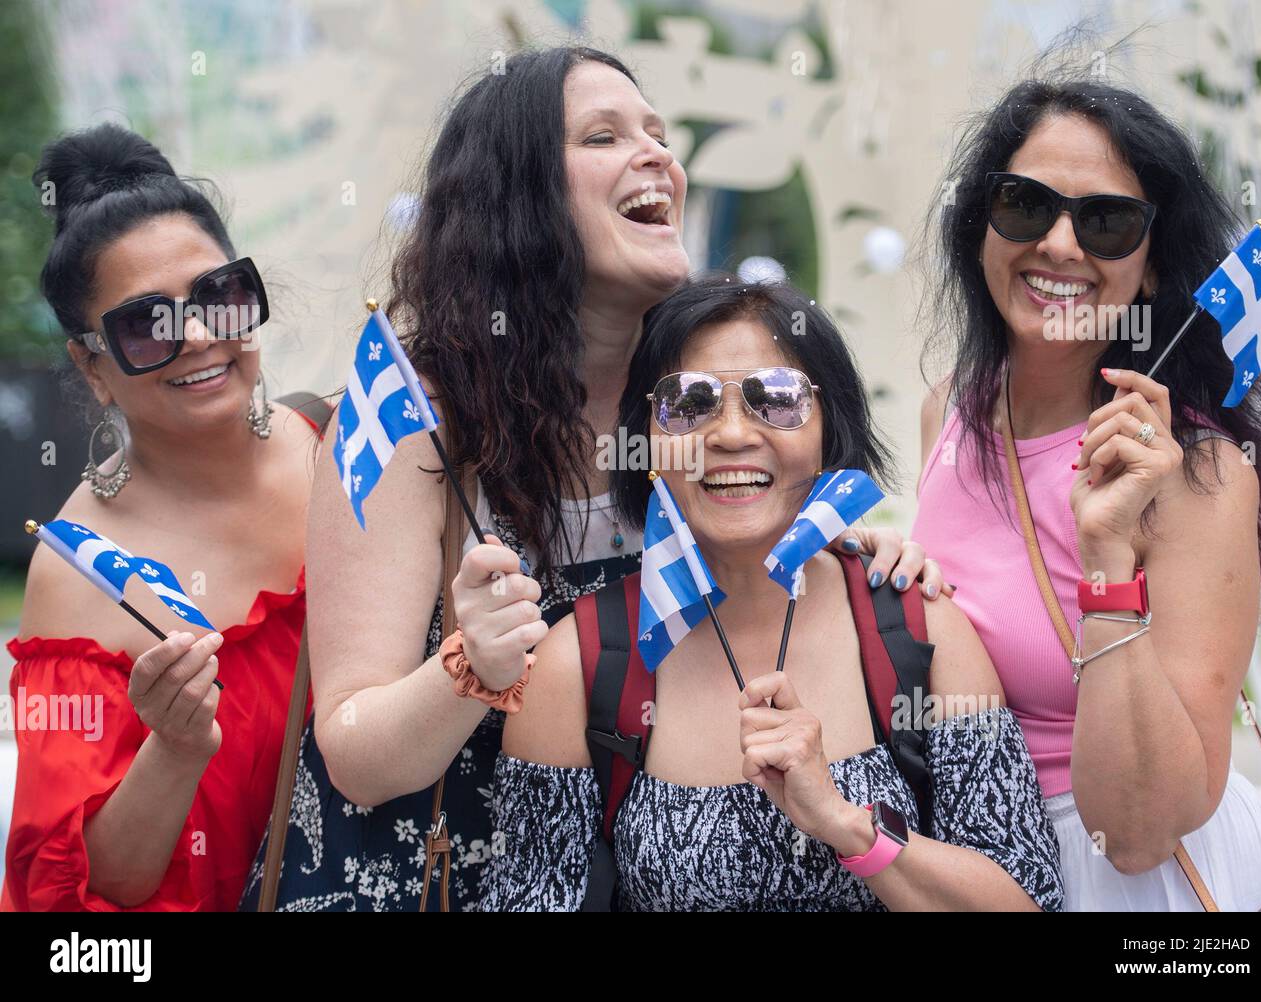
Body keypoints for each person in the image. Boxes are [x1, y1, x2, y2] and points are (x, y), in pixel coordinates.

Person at [246, 46, 949, 912]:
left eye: (657, 132)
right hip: (419, 875)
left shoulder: (687, 406)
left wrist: (837, 555)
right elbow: (355, 755)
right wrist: (470, 665)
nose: (657, 154)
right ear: (521, 196)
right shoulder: (419, 417)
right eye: (605, 136)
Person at [480, 275, 1063, 911]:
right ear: (644, 439)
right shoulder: (581, 662)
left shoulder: (918, 626)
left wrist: (848, 826)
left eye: (777, 398)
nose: (731, 434)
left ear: (826, 434)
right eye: (689, 402)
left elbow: (1030, 901)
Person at [912, 74, 1261, 910]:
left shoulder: (1197, 474)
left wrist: (1106, 560)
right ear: (981, 223)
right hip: (978, 865)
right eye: (1024, 203)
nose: (1059, 245)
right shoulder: (947, 409)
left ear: (1153, 269)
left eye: (1107, 222)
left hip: (1135, 883)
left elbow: (1138, 833)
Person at [4, 124, 320, 910]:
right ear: (91, 365)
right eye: (147, 324)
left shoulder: (342, 448)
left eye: (221, 295)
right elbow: (90, 889)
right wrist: (176, 748)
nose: (202, 337)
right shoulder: (80, 575)